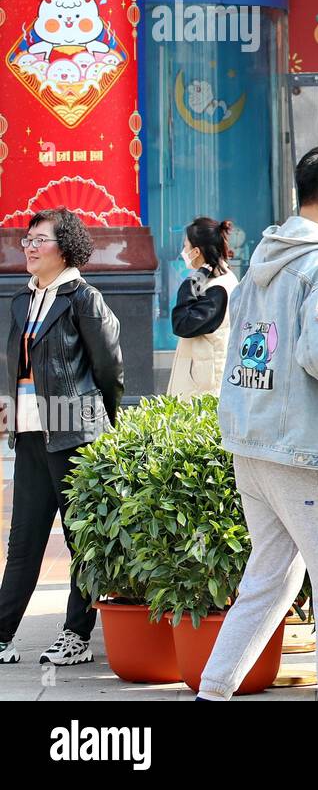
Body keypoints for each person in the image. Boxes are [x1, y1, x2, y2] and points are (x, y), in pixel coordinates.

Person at [198, 144, 318, 702]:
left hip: (253, 441)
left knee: (271, 578)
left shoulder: (266, 255)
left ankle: (211, 693)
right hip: (306, 446)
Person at [1, 208, 122, 666]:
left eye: (40, 239)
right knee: (24, 541)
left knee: (80, 541)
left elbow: (109, 367)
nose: (29, 246)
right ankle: (2, 633)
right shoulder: (22, 300)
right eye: (27, 239)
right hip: (31, 433)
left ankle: (76, 636)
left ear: (65, 247)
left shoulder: (82, 298)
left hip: (74, 435)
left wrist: (102, 422)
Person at [167, 216, 239, 399]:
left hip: (204, 391)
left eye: (186, 246)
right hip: (200, 384)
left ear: (196, 251)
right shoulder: (213, 280)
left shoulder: (218, 288)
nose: (183, 251)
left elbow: (182, 324)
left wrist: (190, 283)